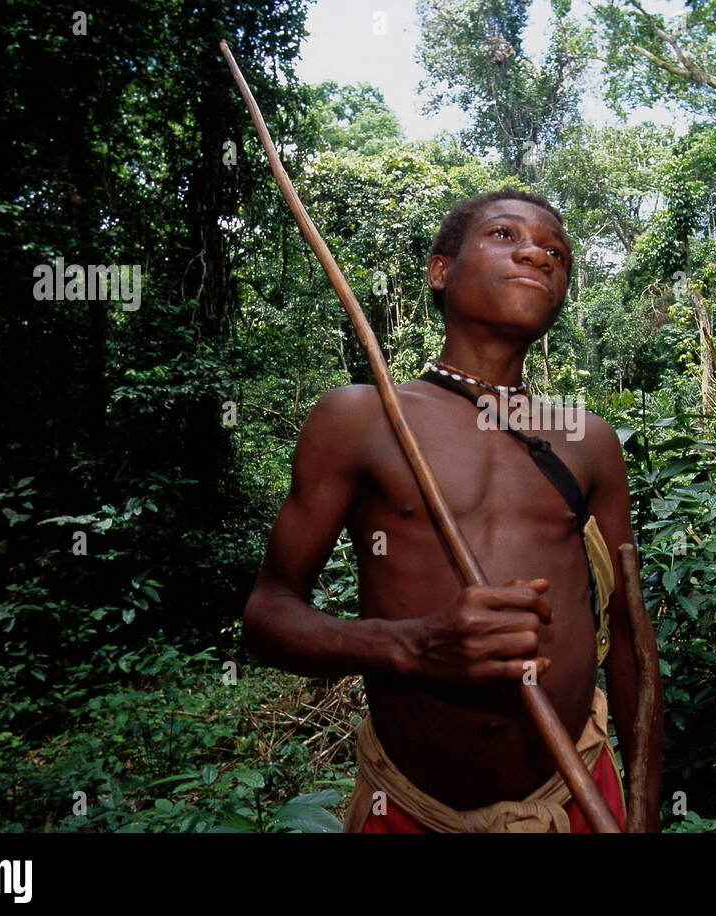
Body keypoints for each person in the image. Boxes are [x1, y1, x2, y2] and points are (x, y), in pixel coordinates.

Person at [243, 187, 662, 832]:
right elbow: (267, 617)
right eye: (504, 235)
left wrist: (643, 807)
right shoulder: (363, 418)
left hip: (576, 796)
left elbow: (631, 642)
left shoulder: (589, 442)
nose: (537, 254)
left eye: (556, 252)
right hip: (411, 809)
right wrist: (413, 645)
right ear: (441, 270)